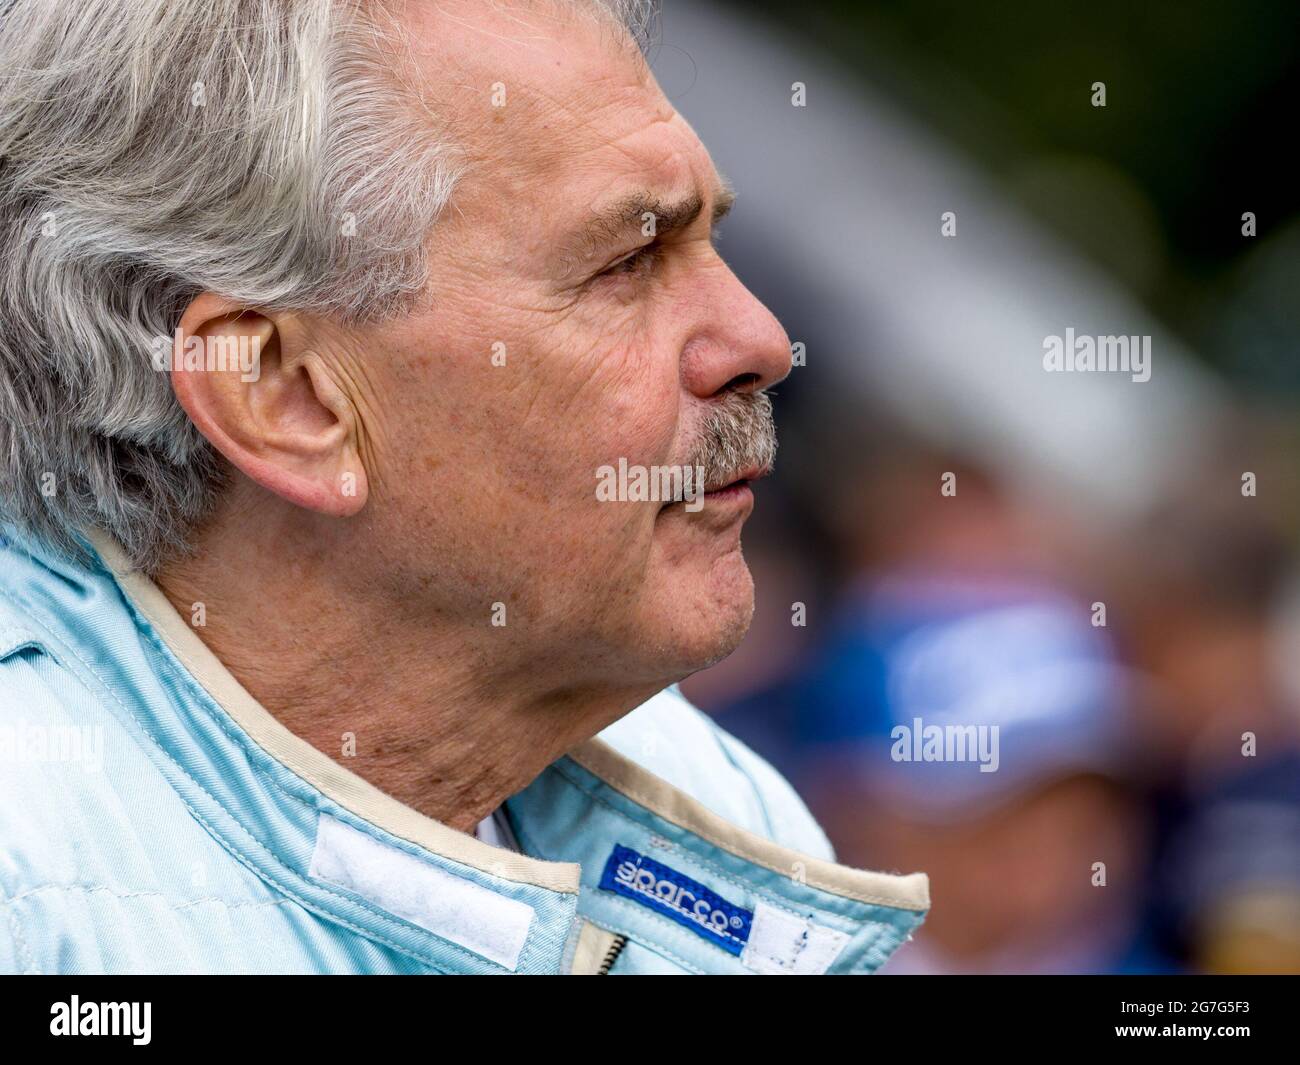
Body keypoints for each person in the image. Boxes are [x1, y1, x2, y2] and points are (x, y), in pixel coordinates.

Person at [0, 0, 926, 974]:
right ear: (286, 396)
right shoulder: (35, 890)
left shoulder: (706, 805)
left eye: (708, 241)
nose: (761, 343)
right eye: (627, 263)